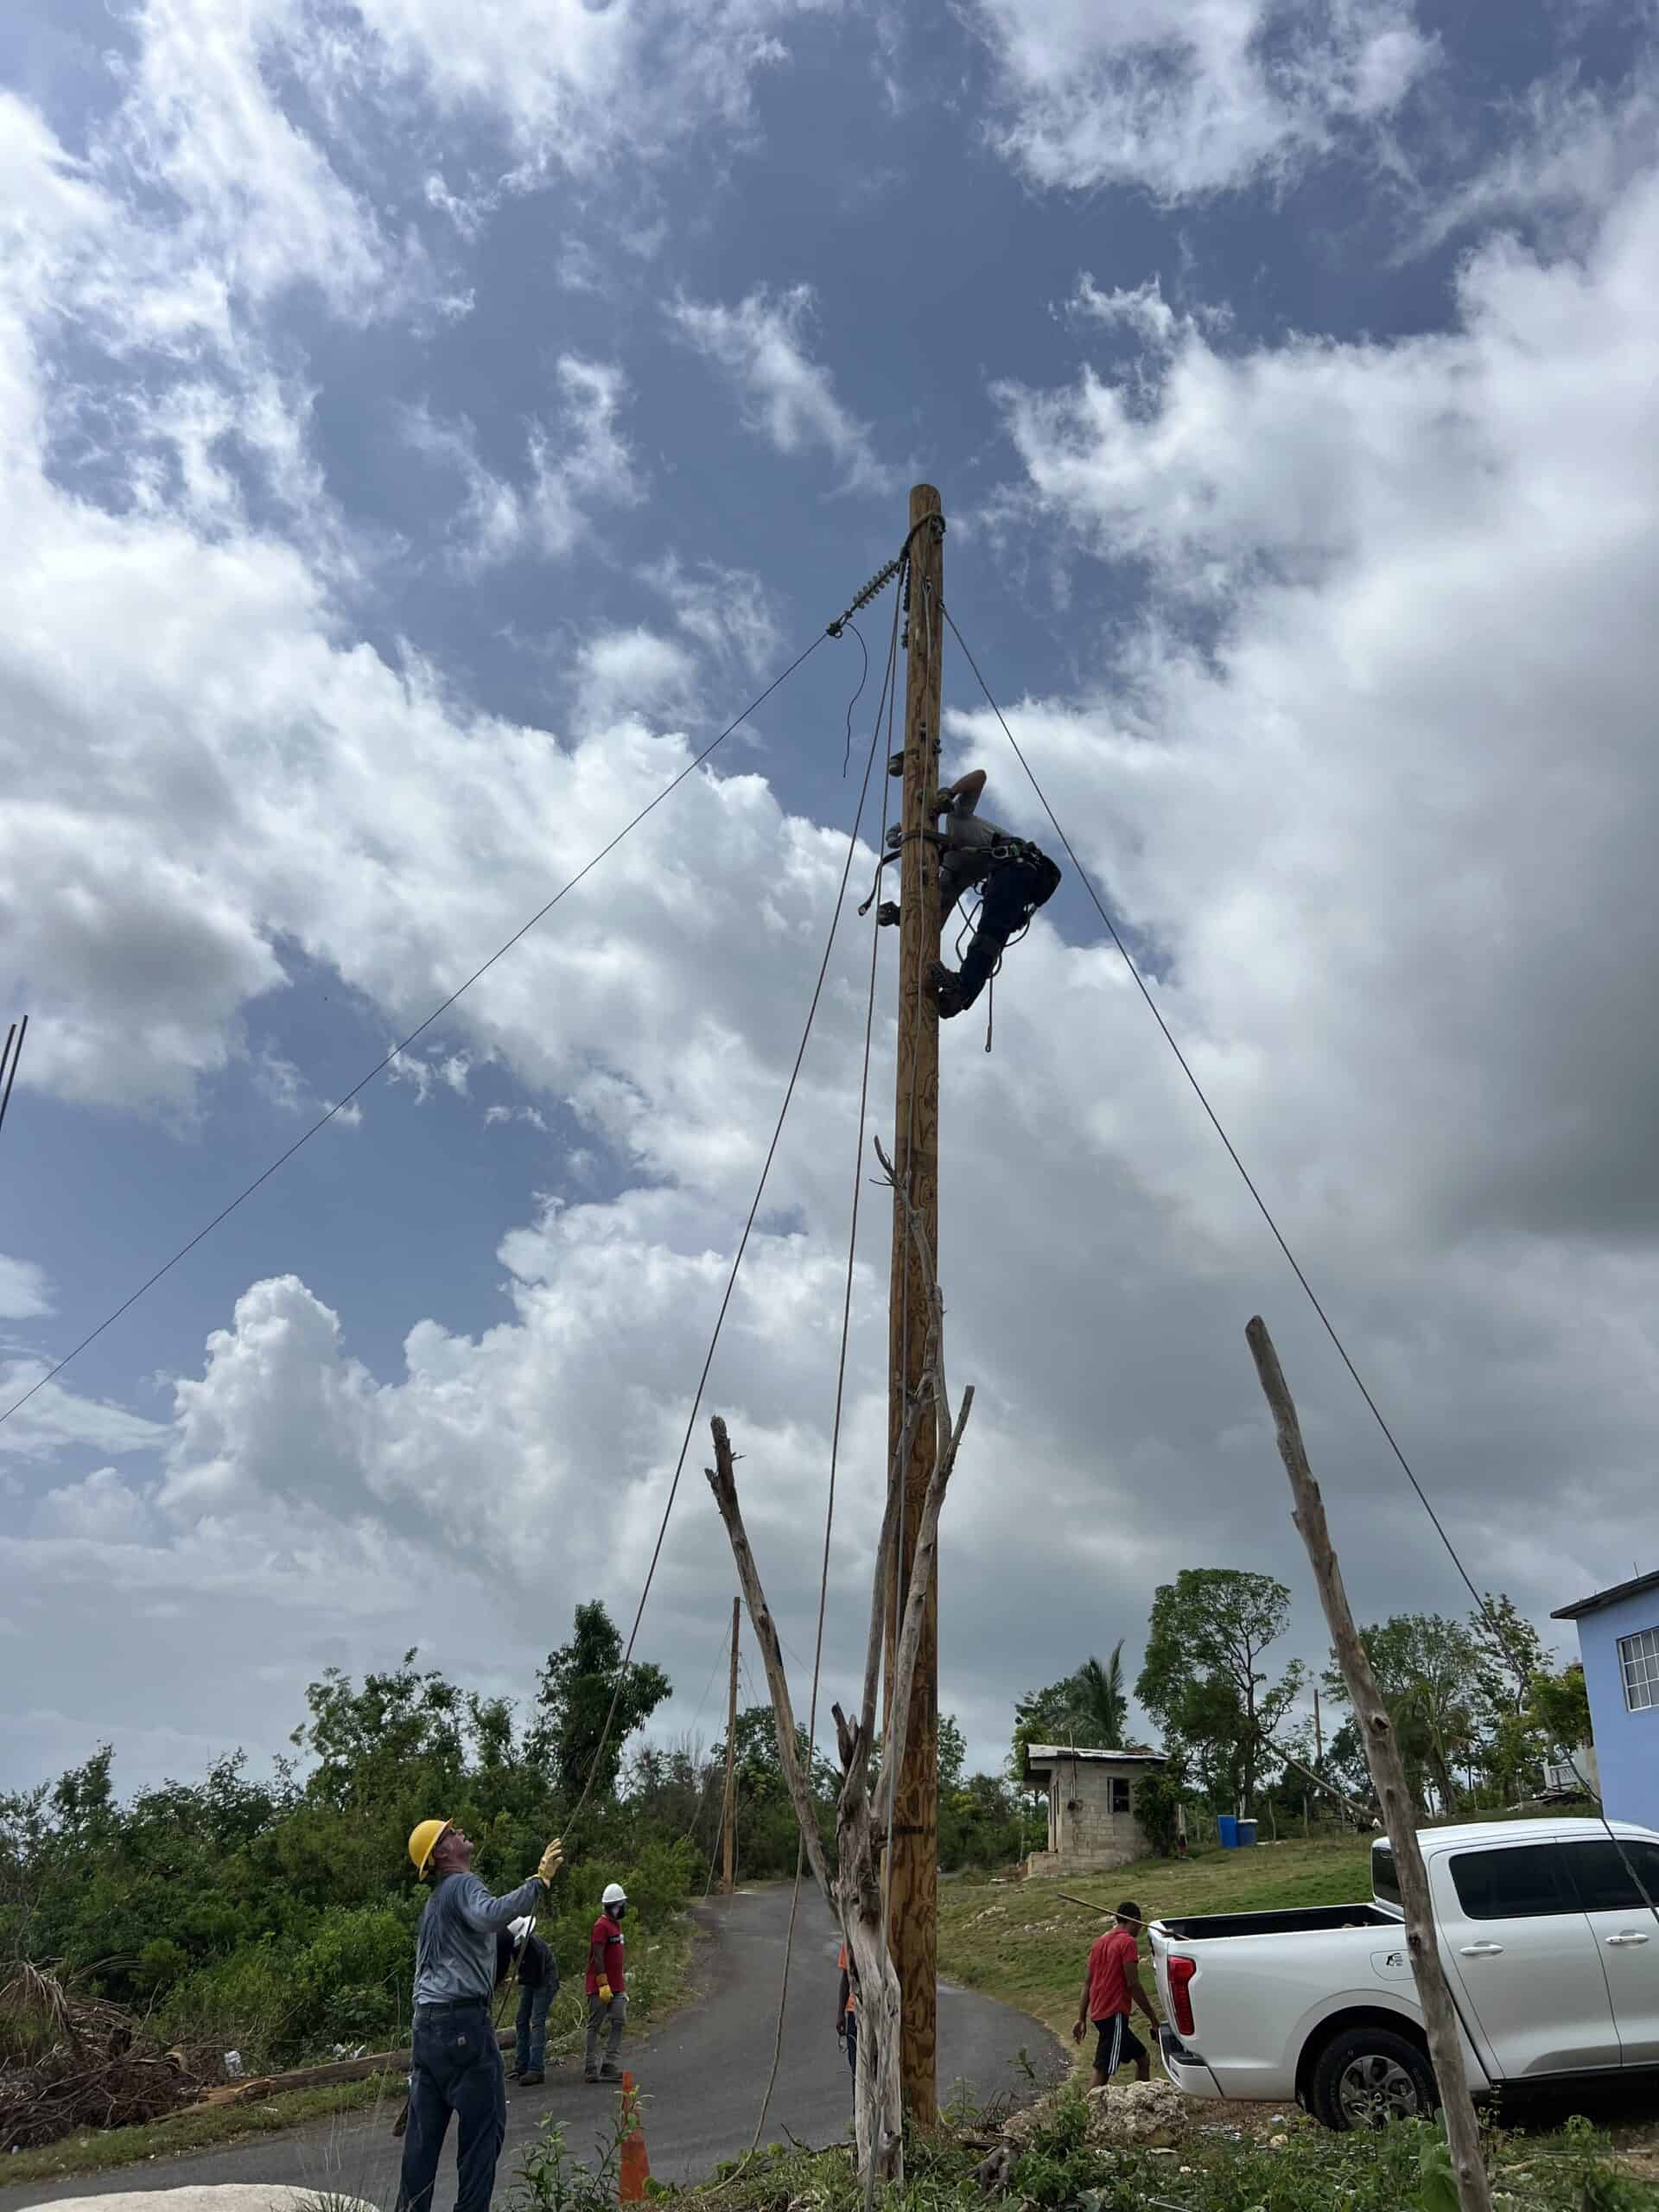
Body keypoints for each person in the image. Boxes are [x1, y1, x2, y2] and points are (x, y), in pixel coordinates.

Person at [397, 1820, 563, 2212]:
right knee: (481, 2139)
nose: (459, 1834)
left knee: (421, 2148)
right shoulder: (462, 1885)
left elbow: (425, 1972)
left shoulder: (434, 1904)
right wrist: (537, 1883)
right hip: (464, 2029)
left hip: (427, 2028)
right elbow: (490, 1915)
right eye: (451, 1834)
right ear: (441, 1854)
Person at [925, 769, 1061, 1019]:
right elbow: (938, 919)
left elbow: (980, 776)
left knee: (989, 933)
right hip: (1014, 879)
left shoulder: (956, 821)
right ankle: (961, 991)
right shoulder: (954, 870)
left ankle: (963, 990)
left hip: (1019, 865)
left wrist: (949, 793)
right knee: (987, 938)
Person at [1071, 1901, 1160, 2088]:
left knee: (1143, 2058)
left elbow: (1087, 1983)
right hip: (1114, 2014)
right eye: (1140, 1925)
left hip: (1099, 2014)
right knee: (1102, 2068)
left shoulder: (1100, 1942)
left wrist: (1081, 2018)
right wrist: (1153, 2019)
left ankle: (1141, 2102)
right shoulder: (1127, 1942)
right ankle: (1088, 2112)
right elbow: (1133, 1984)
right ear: (1135, 1920)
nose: (1139, 1930)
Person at [584, 1880, 628, 2085]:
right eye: (621, 1905)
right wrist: (602, 1983)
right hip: (601, 1986)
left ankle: (609, 2064)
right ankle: (590, 2067)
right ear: (614, 1906)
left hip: (618, 1986)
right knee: (595, 2025)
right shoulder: (600, 1926)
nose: (624, 1908)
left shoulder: (615, 1925)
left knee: (619, 2020)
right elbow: (598, 1955)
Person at [508, 1914, 558, 2088]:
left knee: (537, 2021)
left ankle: (536, 2069)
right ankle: (521, 2065)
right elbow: (521, 1970)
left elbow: (536, 1977)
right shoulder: (516, 1948)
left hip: (545, 1979)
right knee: (521, 2020)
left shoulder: (535, 1948)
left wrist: (521, 1979)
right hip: (532, 1979)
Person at [835, 1939, 859, 2085]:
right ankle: (858, 2107)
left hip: (880, 2013)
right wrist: (840, 2013)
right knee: (857, 2067)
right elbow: (845, 1977)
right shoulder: (851, 1937)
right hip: (854, 2013)